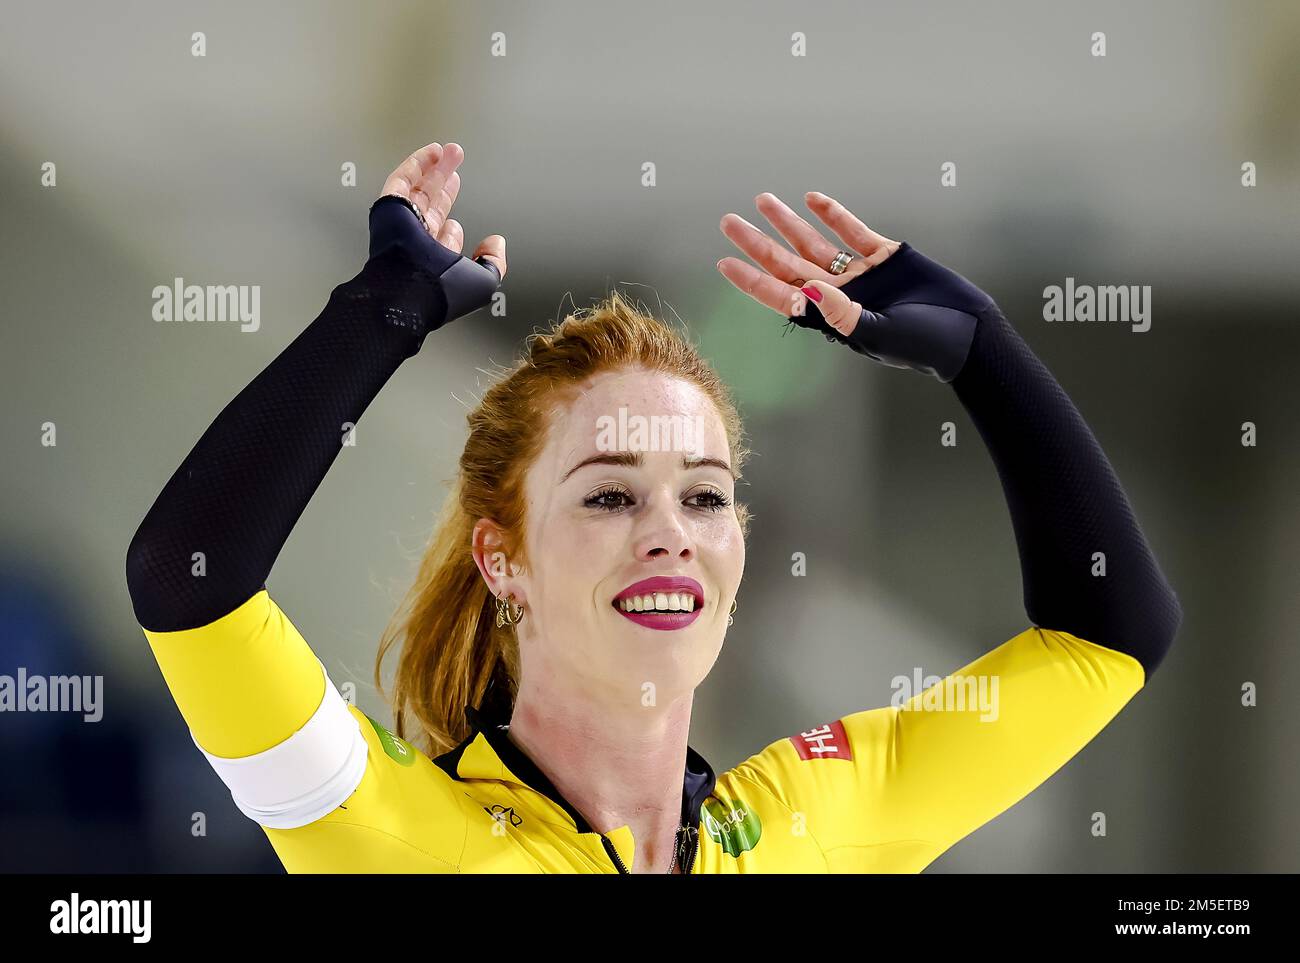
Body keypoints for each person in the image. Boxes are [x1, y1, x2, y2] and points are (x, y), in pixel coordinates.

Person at [124, 141, 1183, 874]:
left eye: (706, 497)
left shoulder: (824, 819)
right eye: (611, 494)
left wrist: (984, 354)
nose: (670, 530)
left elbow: (1110, 636)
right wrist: (382, 313)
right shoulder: (387, 829)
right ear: (505, 561)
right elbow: (191, 578)